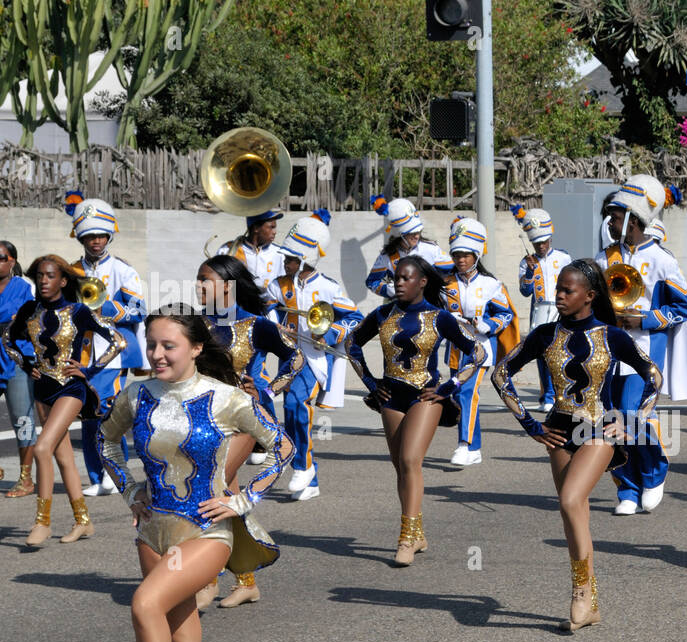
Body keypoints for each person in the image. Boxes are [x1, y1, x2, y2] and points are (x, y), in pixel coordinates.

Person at [99, 310, 294, 642]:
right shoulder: (135, 394)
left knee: (145, 605)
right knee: (182, 639)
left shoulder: (225, 398)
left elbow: (282, 447)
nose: (157, 354)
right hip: (153, 531)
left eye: (169, 345)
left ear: (196, 348)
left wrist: (243, 500)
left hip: (206, 530)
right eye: (152, 345)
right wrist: (130, 492)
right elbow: (106, 442)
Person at [491, 260, 663, 630]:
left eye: (568, 291)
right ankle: (590, 600)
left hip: (599, 428)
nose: (560, 296)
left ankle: (581, 595)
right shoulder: (544, 334)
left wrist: (634, 420)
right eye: (558, 290)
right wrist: (530, 424)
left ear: (590, 296)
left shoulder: (612, 336)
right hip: (558, 430)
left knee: (569, 499)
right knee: (575, 514)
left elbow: (653, 376)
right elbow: (501, 373)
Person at [348, 256, 486, 564]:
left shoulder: (439, 317)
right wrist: (371, 383)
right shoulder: (382, 314)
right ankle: (419, 533)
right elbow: (351, 343)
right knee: (401, 466)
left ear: (422, 282)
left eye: (405, 278)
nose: (398, 283)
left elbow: (478, 352)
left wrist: (449, 387)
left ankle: (406, 538)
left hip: (426, 398)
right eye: (396, 278)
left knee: (411, 460)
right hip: (390, 398)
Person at [198, 256, 303, 607]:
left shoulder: (256, 325)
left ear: (227, 286)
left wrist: (269, 389)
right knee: (226, 495)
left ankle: (207, 578)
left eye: (205, 280)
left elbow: (295, 358)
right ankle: (246, 580)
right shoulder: (194, 324)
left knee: (211, 487)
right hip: (202, 422)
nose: (198, 287)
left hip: (244, 420)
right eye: (197, 280)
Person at [1, 255, 126, 545]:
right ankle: (84, 521)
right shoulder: (29, 310)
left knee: (42, 448)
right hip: (41, 390)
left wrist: (89, 370)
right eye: (39, 276)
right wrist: (24, 363)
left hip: (71, 388)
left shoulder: (78, 310)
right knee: (63, 457)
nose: (44, 281)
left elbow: (118, 340)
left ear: (63, 281)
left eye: (50, 276)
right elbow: (8, 339)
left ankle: (42, 522)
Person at [595, 175, 687, 514]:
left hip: (643, 352)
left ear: (633, 220)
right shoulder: (604, 257)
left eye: (616, 216)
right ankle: (626, 487)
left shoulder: (662, 260)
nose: (610, 222)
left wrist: (645, 320)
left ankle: (654, 472)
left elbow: (682, 309)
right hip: (609, 351)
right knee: (610, 418)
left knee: (633, 416)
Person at [265, 210, 362, 500]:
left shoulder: (329, 288)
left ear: (307, 258)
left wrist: (329, 333)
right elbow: (268, 306)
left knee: (297, 405)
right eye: (286, 257)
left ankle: (302, 466)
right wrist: (273, 323)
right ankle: (311, 479)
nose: (286, 262)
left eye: (292, 258)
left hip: (315, 358)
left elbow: (355, 318)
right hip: (289, 358)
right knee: (292, 413)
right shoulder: (278, 285)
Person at [66, 194, 148, 498]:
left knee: (107, 414)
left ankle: (116, 473)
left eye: (100, 235)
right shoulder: (71, 271)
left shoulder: (124, 271)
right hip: (80, 353)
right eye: (89, 235)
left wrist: (110, 309)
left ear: (109, 235)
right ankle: (96, 476)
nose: (95, 240)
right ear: (81, 237)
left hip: (112, 353)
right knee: (88, 417)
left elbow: (140, 310)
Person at [439, 217, 517, 467]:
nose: (461, 259)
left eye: (466, 254)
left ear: (476, 255)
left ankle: (463, 444)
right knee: (461, 396)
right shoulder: (444, 284)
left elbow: (505, 314)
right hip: (454, 349)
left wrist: (489, 325)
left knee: (467, 392)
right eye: (457, 254)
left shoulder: (491, 284)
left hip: (480, 348)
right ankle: (474, 447)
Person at [0, 241, 36, 495]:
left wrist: (0, 329)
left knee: (22, 419)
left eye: (1, 258)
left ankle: (26, 478)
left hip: (17, 361)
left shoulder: (24, 290)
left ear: (12, 261)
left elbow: (32, 319)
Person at [512, 206, 571, 413]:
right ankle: (547, 395)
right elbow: (525, 291)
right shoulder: (526, 262)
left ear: (550, 238)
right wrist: (529, 270)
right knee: (543, 353)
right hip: (539, 310)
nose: (541, 246)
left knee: (562, 352)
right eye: (537, 243)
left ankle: (562, 393)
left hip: (561, 308)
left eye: (544, 241)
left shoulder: (564, 258)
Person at [366, 196, 451, 298]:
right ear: (399, 234)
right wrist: (392, 290)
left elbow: (453, 271)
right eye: (411, 232)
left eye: (418, 231)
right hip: (403, 308)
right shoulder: (387, 256)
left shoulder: (431, 249)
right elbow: (371, 282)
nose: (416, 236)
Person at [216, 209, 286, 291]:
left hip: (270, 303)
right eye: (271, 227)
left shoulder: (280, 253)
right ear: (256, 228)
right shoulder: (227, 250)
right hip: (237, 302)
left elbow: (283, 287)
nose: (275, 232)